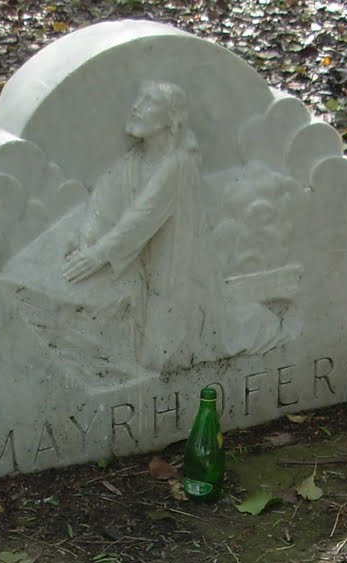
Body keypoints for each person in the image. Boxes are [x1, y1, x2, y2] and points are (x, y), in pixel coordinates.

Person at [62, 81, 228, 373]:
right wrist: (86, 241)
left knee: (160, 357)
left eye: (148, 102)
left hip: (174, 276)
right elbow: (102, 201)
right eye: (137, 98)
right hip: (136, 271)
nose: (136, 106)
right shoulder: (131, 162)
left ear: (171, 120)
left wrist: (97, 255)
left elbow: (141, 218)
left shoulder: (178, 165)